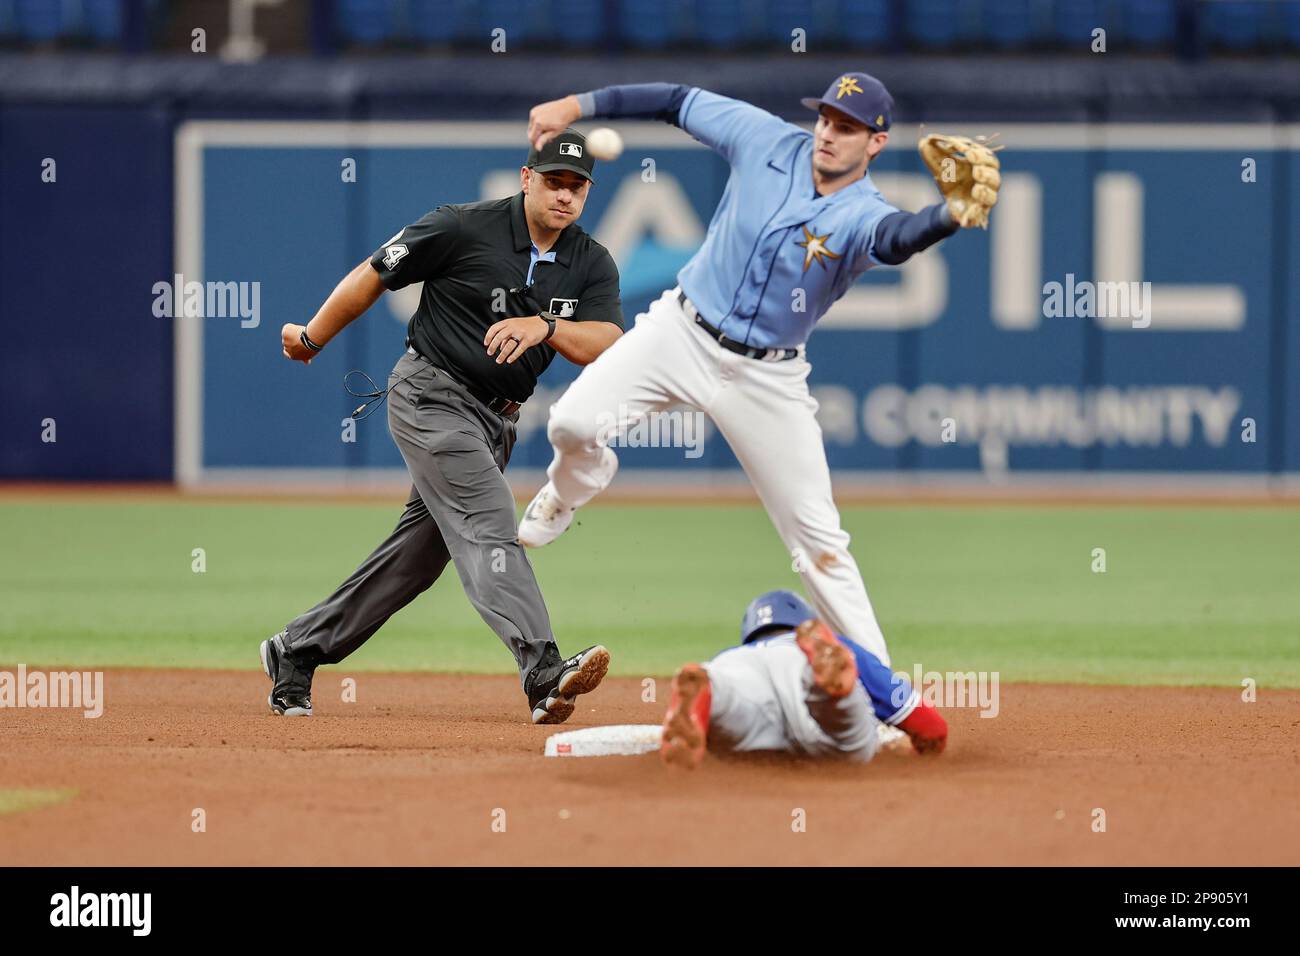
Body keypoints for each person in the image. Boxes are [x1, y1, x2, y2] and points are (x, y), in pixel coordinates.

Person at [517, 73, 1000, 670]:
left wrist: (949, 216)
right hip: (682, 333)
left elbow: (899, 238)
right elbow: (674, 101)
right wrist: (576, 104)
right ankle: (568, 494)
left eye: (847, 127)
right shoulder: (764, 139)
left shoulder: (861, 213)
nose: (828, 133)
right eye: (825, 117)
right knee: (571, 424)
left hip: (767, 377)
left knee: (820, 544)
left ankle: (887, 695)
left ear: (876, 143)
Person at [262, 129, 625, 724]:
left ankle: (295, 650)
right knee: (489, 519)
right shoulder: (462, 226)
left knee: (418, 557)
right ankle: (542, 669)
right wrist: (311, 337)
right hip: (431, 395)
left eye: (576, 186)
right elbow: (375, 272)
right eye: (553, 181)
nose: (565, 195)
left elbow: (608, 340)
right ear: (526, 177)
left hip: (496, 423)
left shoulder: (589, 261)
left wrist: (548, 328)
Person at [659, 590, 948, 768]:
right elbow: (931, 729)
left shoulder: (734, 657)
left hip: (747, 702)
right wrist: (913, 750)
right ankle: (828, 693)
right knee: (850, 739)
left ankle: (709, 690)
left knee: (729, 703)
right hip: (808, 681)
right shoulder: (842, 648)